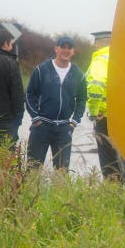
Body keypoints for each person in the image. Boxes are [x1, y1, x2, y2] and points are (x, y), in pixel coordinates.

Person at [84, 32, 125, 198]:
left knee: (109, 166)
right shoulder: (124, 59)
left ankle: (114, 202)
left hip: (106, 119)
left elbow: (96, 84)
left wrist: (95, 111)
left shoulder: (100, 59)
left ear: (99, 44)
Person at [25, 36, 87, 170]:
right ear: (56, 49)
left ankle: (58, 191)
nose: (65, 50)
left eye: (68, 48)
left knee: (61, 173)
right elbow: (30, 94)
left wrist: (74, 121)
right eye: (62, 47)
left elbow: (82, 100)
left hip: (64, 129)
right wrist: (35, 117)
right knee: (32, 170)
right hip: (41, 126)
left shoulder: (78, 75)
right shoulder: (42, 70)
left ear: (73, 51)